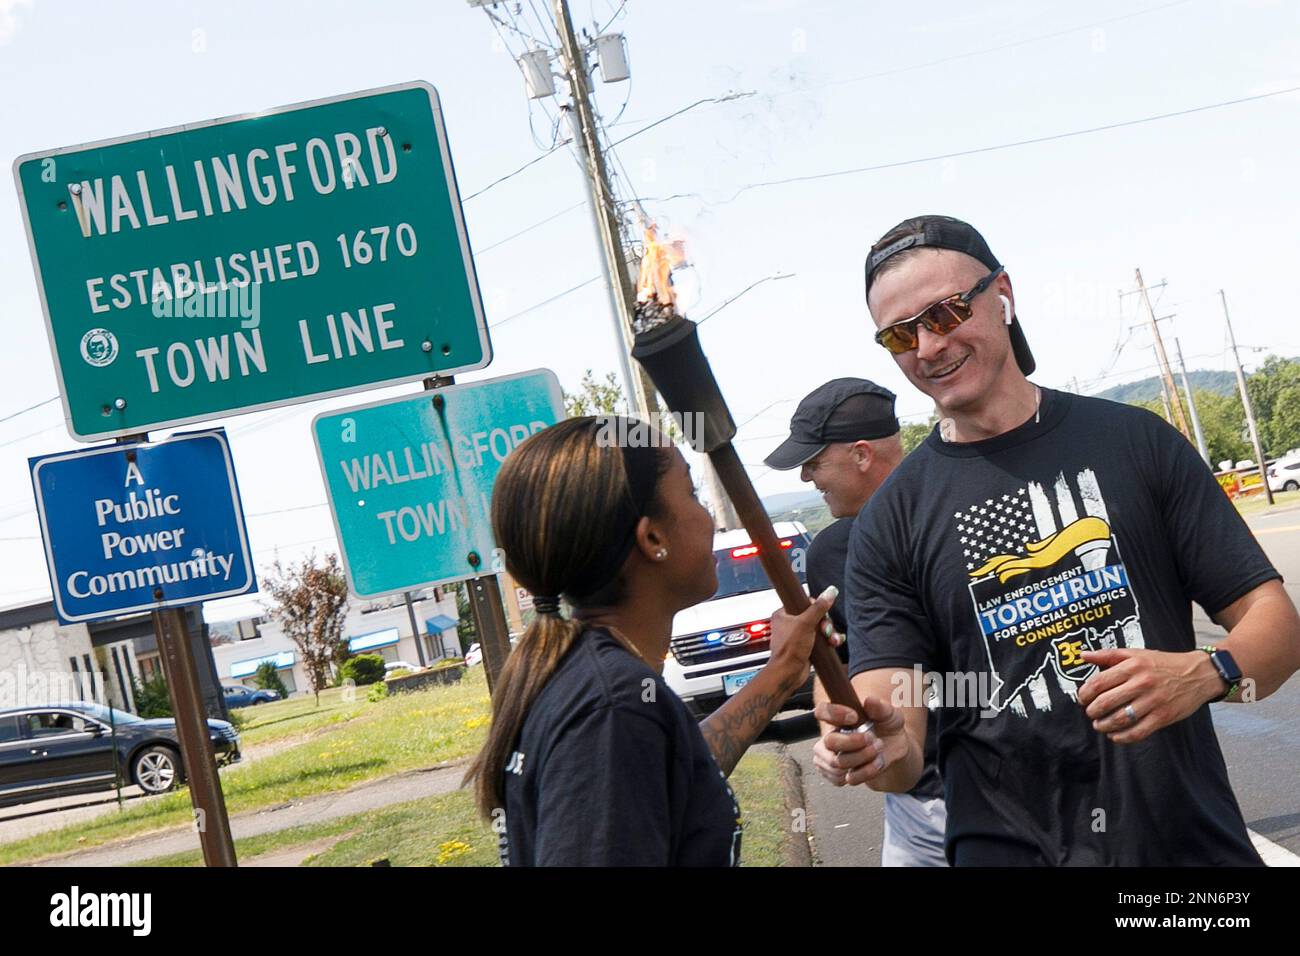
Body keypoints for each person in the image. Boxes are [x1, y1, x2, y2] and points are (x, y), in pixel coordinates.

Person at [814, 214, 1300, 865]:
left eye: (946, 312)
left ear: (1003, 294)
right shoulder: (889, 522)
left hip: (1188, 854)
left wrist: (1210, 673)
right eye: (900, 334)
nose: (927, 347)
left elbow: (1279, 631)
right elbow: (898, 743)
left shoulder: (1135, 443)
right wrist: (873, 747)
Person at [463, 416, 836, 866]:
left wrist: (783, 671)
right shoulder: (614, 706)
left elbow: (671, 772)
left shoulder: (591, 680)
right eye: (692, 494)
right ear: (652, 537)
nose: (708, 517)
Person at [764, 377, 947, 866]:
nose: (806, 477)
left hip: (1012, 792)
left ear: (862, 454)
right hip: (917, 809)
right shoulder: (828, 553)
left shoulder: (955, 513)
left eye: (814, 461)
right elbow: (839, 665)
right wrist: (834, 730)